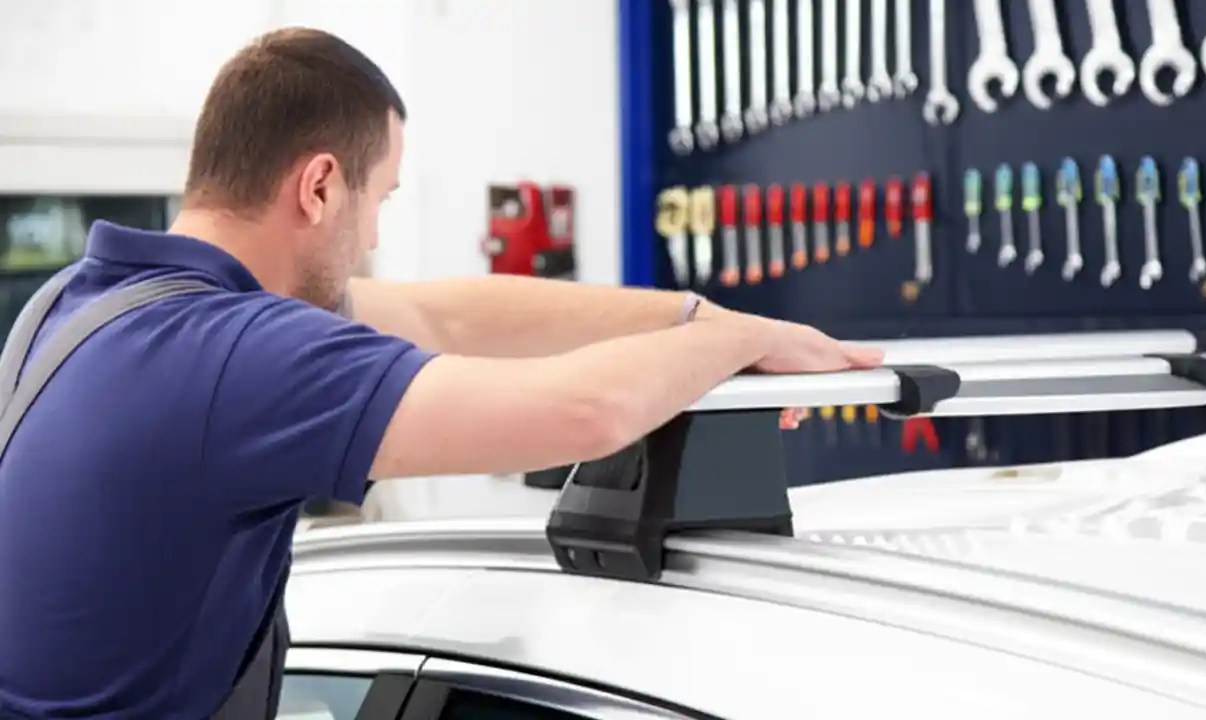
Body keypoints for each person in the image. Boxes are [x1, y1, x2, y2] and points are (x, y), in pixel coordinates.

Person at [0, 27, 883, 719]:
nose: (375, 237)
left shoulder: (79, 305)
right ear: (318, 186)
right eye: (379, 198)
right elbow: (589, 410)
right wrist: (732, 348)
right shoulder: (239, 359)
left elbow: (445, 316)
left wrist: (702, 317)